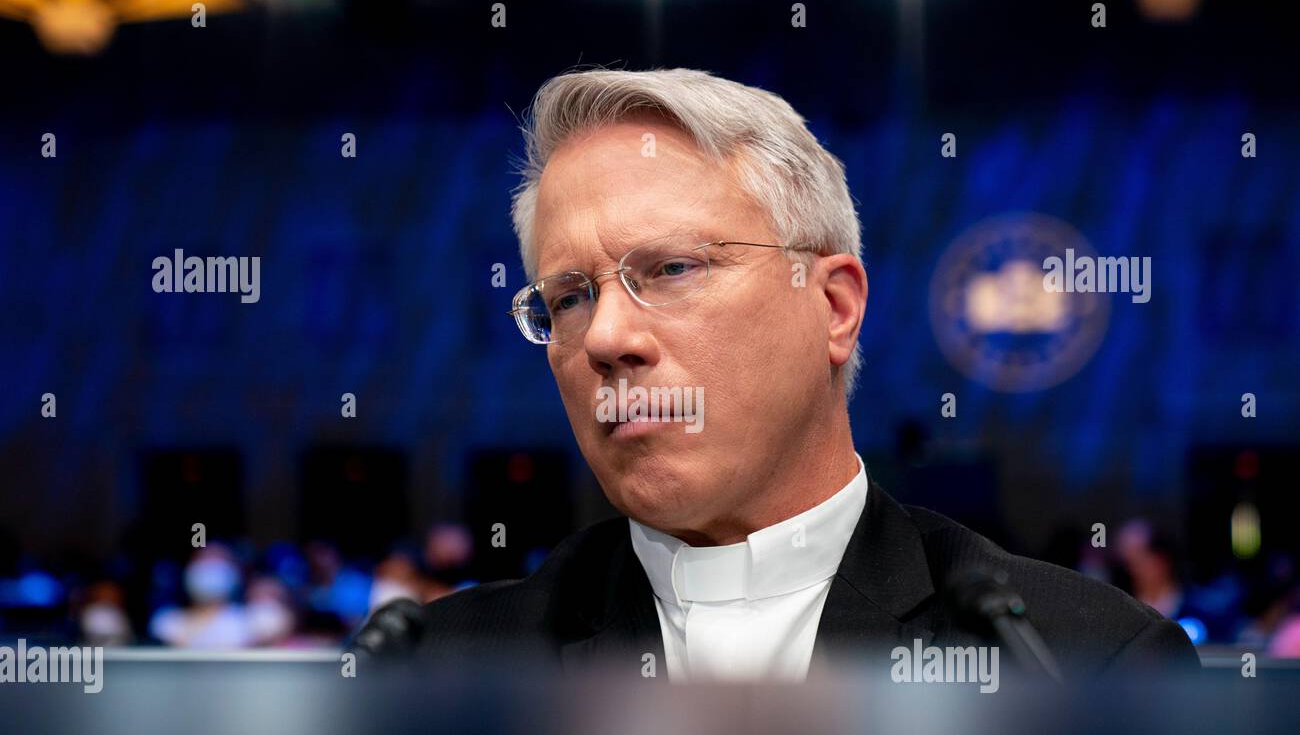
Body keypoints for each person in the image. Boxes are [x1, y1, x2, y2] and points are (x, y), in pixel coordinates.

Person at [353, 67, 1198, 682]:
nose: (606, 336)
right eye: (568, 298)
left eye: (674, 269)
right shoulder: (440, 679)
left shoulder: (1077, 667)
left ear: (832, 307)